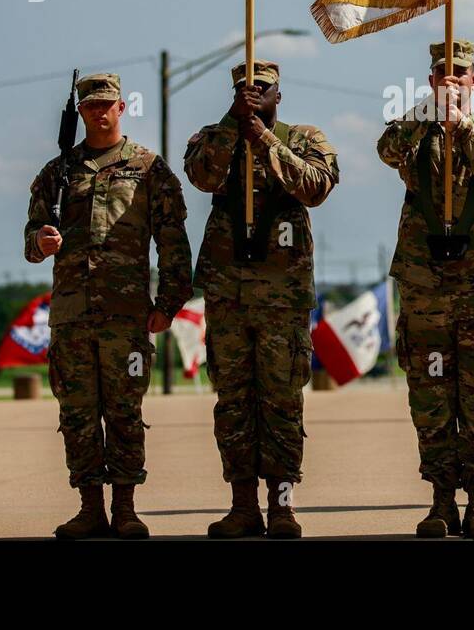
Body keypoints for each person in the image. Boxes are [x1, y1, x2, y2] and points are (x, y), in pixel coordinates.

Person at [24, 72, 192, 540]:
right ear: (80, 112)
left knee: (124, 413)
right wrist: (39, 241)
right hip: (72, 317)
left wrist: (169, 303)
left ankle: (125, 509)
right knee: (77, 415)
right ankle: (89, 508)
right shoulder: (57, 172)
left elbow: (173, 241)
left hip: (126, 316)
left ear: (122, 107)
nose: (99, 112)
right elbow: (32, 236)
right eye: (90, 106)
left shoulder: (149, 169)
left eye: (107, 104)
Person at [183, 60, 339, 540]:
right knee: (234, 402)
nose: (253, 97)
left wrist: (266, 141)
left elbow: (315, 188)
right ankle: (242, 506)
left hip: (282, 294)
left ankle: (283, 507)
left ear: (279, 94)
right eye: (243, 91)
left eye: (262, 90)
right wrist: (234, 126)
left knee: (281, 402)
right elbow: (201, 177)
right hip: (229, 292)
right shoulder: (213, 136)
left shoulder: (305, 139)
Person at [378, 40, 474, 539]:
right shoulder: (412, 128)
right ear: (430, 78)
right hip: (425, 284)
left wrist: (463, 127)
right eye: (442, 72)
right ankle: (441, 498)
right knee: (431, 395)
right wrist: (428, 119)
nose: (451, 80)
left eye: (459, 73)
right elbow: (386, 150)